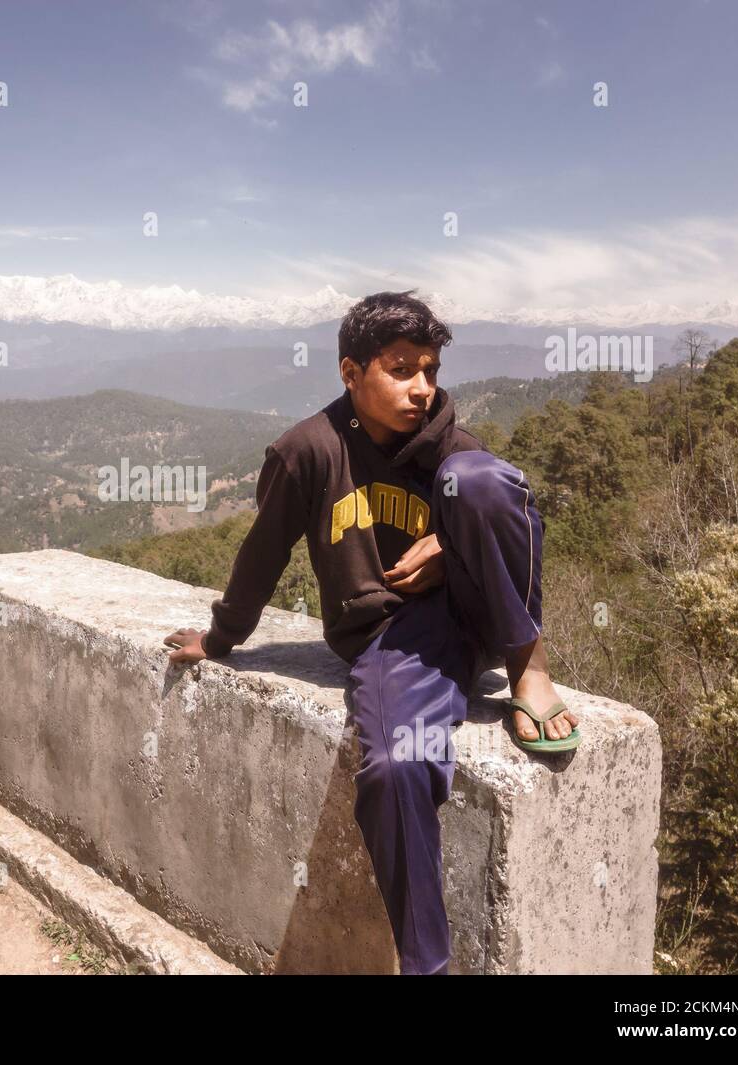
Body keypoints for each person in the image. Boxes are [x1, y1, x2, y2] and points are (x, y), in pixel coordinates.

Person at [163, 290, 580, 975]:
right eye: (400, 368)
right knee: (392, 770)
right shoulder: (308, 452)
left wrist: (451, 539)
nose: (422, 388)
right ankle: (427, 965)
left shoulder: (451, 440)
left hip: (483, 620)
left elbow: (513, 519)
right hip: (393, 637)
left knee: (479, 482)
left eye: (430, 369)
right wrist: (220, 637)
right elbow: (262, 553)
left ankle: (531, 668)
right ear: (350, 372)